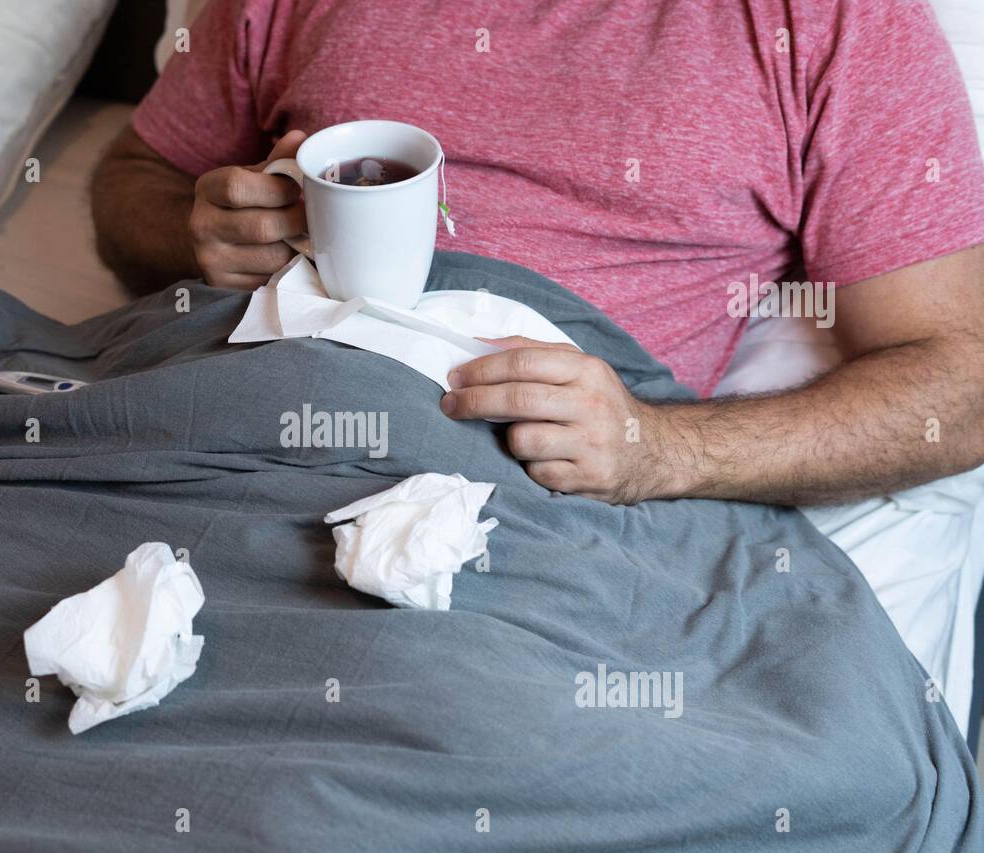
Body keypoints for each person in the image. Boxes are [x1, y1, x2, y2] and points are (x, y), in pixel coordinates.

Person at [91, 0, 984, 506]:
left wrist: (663, 450)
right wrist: (192, 231)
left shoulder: (831, 21)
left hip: (505, 488)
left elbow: (962, 381)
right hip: (212, 416)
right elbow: (133, 176)